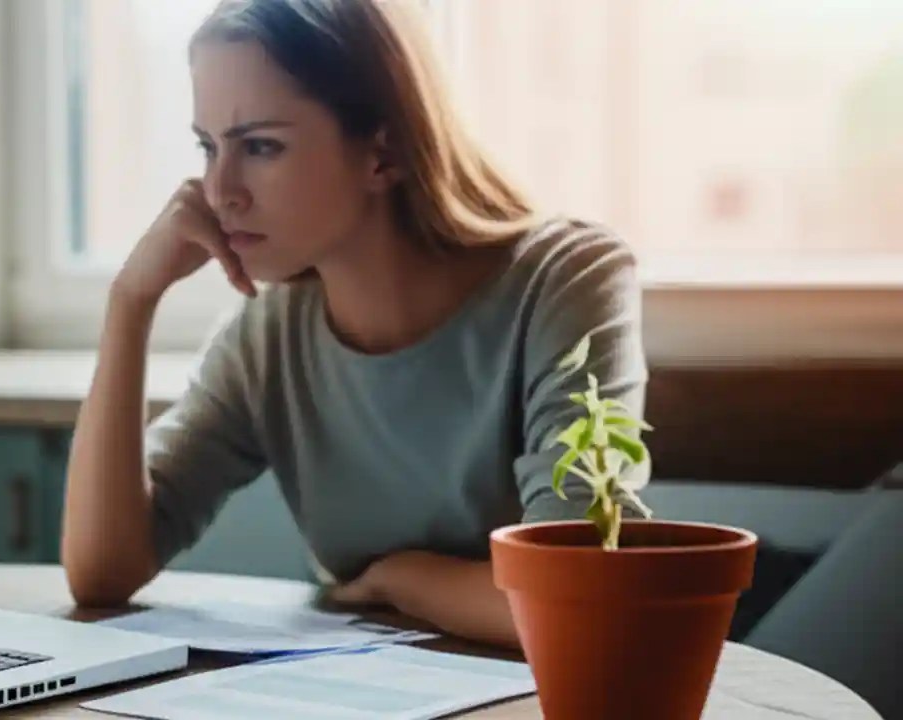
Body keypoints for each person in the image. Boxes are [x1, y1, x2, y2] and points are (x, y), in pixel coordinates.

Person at [61, 0, 647, 650]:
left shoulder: (564, 281)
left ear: (383, 152)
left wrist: (405, 579)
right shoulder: (269, 334)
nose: (220, 190)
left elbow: (574, 601)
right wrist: (130, 301)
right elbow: (101, 571)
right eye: (208, 146)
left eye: (260, 146)